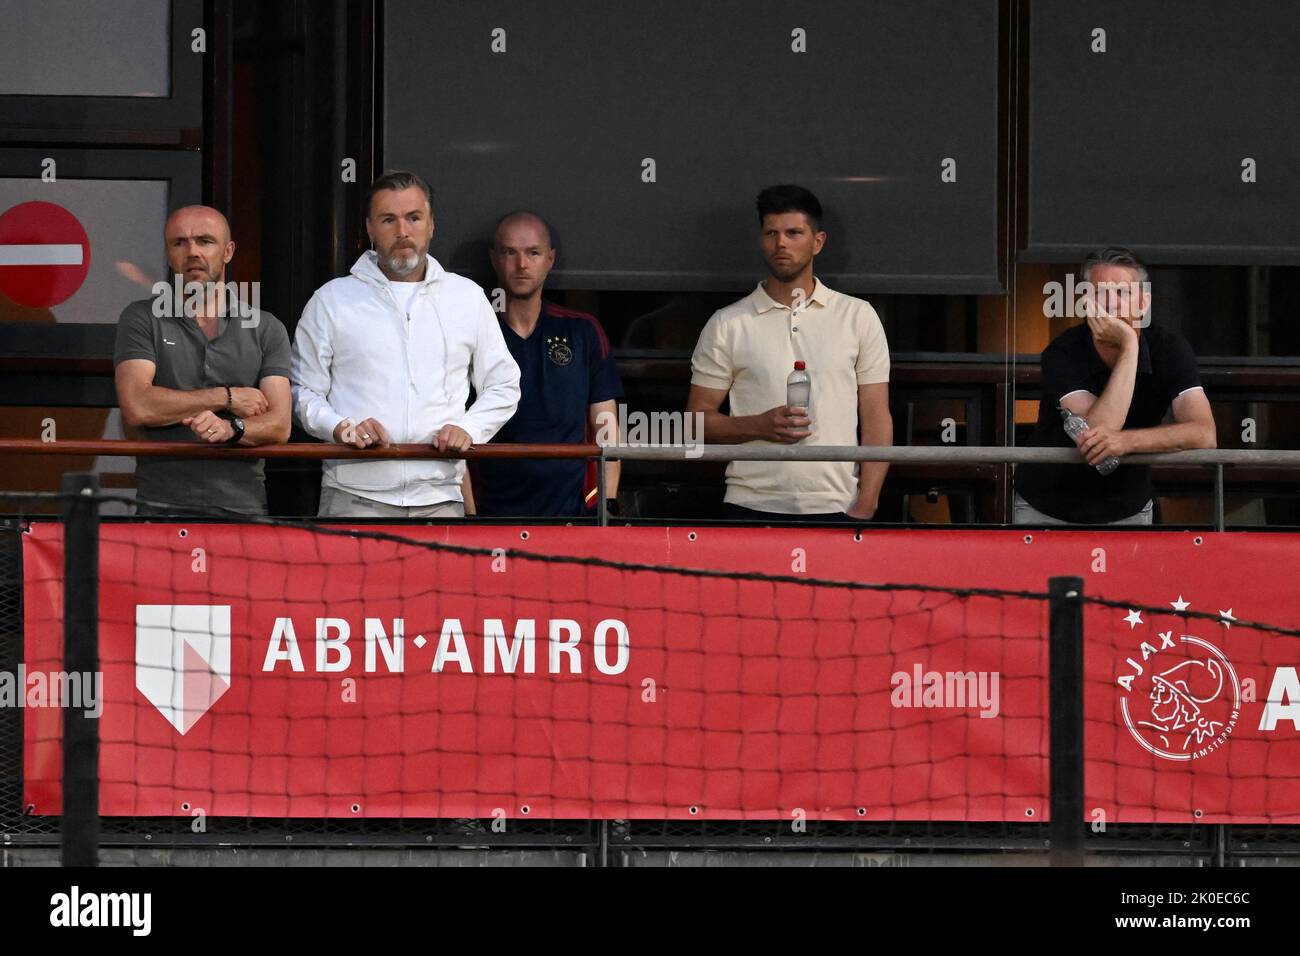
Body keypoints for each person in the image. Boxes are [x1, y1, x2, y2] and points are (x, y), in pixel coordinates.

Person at [291, 170, 520, 518]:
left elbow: (504, 384)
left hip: (440, 497)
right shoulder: (332, 300)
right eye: (388, 219)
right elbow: (301, 390)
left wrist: (469, 429)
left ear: (431, 225)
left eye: (414, 218)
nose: (402, 231)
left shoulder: (467, 298)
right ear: (369, 228)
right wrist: (341, 428)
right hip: (353, 496)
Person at [686, 184, 892, 521]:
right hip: (749, 505)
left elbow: (876, 415)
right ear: (761, 240)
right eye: (772, 233)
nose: (781, 243)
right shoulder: (727, 323)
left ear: (818, 242)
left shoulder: (857, 316)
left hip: (837, 506)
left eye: (794, 233)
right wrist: (759, 425)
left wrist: (866, 502)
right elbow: (696, 422)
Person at [1013, 246, 1217, 525]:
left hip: (1128, 508)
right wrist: (1130, 346)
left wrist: (1127, 441)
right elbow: (1099, 432)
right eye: (1100, 293)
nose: (1111, 303)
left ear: (1143, 303)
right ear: (1086, 301)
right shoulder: (1063, 351)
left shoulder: (1169, 349)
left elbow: (1204, 434)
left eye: (1122, 292)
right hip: (1047, 508)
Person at [113, 205, 291, 516]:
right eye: (179, 242)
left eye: (205, 241)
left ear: (228, 251)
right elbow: (138, 406)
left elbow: (279, 426)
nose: (192, 252)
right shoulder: (141, 318)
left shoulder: (266, 327)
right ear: (169, 254)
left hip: (243, 508)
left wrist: (232, 428)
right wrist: (227, 397)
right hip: (160, 507)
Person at [470, 211, 623, 517]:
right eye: (510, 252)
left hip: (571, 512)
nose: (522, 264)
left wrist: (607, 504)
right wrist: (469, 515)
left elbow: (606, 426)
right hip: (489, 513)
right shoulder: (472, 332)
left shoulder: (583, 330)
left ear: (550, 259)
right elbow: (450, 423)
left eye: (533, 253)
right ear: (494, 258)